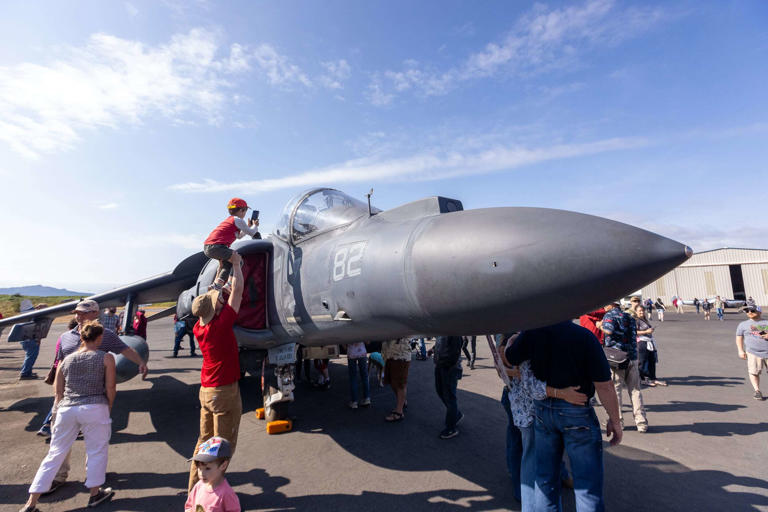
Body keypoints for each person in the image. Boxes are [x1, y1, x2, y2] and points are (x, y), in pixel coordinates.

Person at [503, 321, 622, 512]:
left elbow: (509, 358)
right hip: (576, 412)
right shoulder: (584, 336)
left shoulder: (533, 332)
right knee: (586, 487)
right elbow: (604, 385)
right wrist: (615, 420)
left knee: (545, 480)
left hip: (543, 411)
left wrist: (513, 340)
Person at [45, 299, 147, 494]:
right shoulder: (66, 337)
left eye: (83, 313)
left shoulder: (105, 336)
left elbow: (124, 349)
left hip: (94, 398)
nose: (79, 316)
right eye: (77, 313)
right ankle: (57, 477)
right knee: (59, 441)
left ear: (95, 314)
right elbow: (59, 367)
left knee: (95, 442)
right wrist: (57, 398)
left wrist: (140, 362)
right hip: (66, 399)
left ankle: (94, 477)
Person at [21, 322, 116, 511]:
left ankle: (31, 503)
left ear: (81, 337)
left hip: (67, 408)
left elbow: (58, 392)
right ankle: (95, 494)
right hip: (94, 406)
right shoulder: (106, 358)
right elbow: (111, 387)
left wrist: (57, 412)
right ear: (99, 338)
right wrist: (109, 406)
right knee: (96, 450)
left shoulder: (67, 360)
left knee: (55, 453)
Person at [496, 333, 583, 511]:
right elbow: (527, 383)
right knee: (526, 451)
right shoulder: (516, 338)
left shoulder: (519, 336)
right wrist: (563, 393)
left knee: (534, 451)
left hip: (523, 404)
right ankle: (525, 494)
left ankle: (551, 481)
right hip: (529, 407)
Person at [189, 251, 244, 491]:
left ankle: (194, 490)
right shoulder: (220, 327)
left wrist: (224, 270)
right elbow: (239, 293)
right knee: (222, 445)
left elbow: (217, 298)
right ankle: (212, 494)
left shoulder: (200, 328)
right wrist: (238, 265)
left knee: (204, 442)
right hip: (223, 392)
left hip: (207, 391)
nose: (221, 300)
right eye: (218, 301)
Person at [602, 301, 649, 433]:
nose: (604, 307)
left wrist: (600, 325)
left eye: (605, 304)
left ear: (611, 304)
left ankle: (618, 421)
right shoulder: (629, 316)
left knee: (616, 391)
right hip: (632, 357)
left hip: (617, 359)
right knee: (635, 391)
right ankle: (641, 422)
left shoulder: (609, 315)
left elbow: (608, 330)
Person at [204, 197, 260, 291]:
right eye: (245, 210)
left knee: (228, 263)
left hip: (209, 247)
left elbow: (239, 236)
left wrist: (249, 227)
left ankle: (217, 284)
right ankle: (229, 284)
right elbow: (252, 233)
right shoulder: (238, 220)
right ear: (242, 210)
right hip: (217, 247)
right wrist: (255, 225)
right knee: (238, 260)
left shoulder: (230, 220)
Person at [37, 318, 78, 438]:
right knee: (62, 399)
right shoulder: (67, 338)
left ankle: (53, 425)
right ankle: (47, 425)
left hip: (60, 370)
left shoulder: (63, 337)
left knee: (62, 398)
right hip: (65, 372)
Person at [185, 437, 241, 512]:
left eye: (207, 468)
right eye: (199, 468)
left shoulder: (226, 493)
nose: (201, 473)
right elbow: (189, 505)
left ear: (223, 465)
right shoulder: (198, 486)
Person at [735, 305, 768, 400]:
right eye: (747, 311)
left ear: (759, 312)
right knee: (754, 372)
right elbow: (739, 337)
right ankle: (757, 391)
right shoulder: (743, 325)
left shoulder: (766, 322)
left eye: (752, 310)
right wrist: (740, 350)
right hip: (753, 353)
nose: (749, 312)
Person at [433, 336, 463, 438]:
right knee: (440, 391)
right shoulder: (444, 327)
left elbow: (455, 352)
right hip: (440, 365)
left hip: (449, 368)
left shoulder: (454, 330)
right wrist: (433, 349)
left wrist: (445, 364)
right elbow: (441, 343)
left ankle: (451, 428)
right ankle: (456, 414)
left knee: (450, 397)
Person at [633, 304, 666, 387]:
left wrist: (650, 330)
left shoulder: (644, 319)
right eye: (639, 310)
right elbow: (634, 332)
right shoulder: (636, 320)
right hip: (641, 343)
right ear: (636, 312)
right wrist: (646, 332)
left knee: (652, 361)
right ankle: (642, 379)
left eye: (642, 310)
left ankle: (653, 378)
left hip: (649, 342)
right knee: (642, 362)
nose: (641, 312)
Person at [382, 338, 411, 422]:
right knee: (392, 382)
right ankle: (402, 401)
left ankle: (399, 412)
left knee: (400, 384)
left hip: (401, 355)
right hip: (389, 354)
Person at [19, 302, 47, 380]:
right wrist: (37, 339)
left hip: (25, 338)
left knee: (29, 356)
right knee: (31, 356)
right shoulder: (33, 316)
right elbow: (36, 328)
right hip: (30, 338)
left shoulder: (24, 315)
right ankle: (25, 373)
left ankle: (28, 371)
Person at [345, 342, 370, 408]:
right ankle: (366, 398)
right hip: (362, 352)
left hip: (351, 353)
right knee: (365, 377)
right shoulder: (362, 330)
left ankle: (354, 402)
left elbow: (344, 345)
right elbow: (368, 342)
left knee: (353, 378)